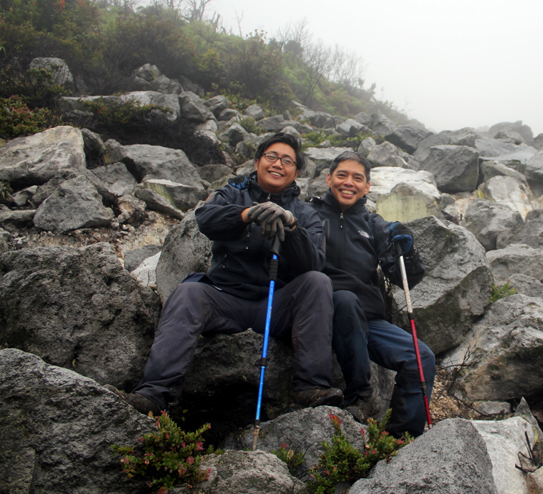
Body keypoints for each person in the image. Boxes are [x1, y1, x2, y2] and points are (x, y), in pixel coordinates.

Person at [110, 132, 343, 415]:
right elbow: (206, 219)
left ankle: (310, 387)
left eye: (287, 161)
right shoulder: (232, 193)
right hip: (224, 299)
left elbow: (313, 263)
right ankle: (153, 394)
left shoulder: (306, 214)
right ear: (257, 162)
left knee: (318, 282)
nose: (278, 164)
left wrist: (292, 227)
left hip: (275, 306)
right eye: (271, 157)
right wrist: (247, 214)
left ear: (296, 173)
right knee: (189, 292)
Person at [311, 151, 435, 437]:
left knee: (421, 358)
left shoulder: (373, 224)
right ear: (328, 179)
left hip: (367, 320)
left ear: (367, 187)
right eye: (342, 175)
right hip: (318, 310)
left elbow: (404, 278)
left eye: (358, 178)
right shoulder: (310, 214)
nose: (349, 183)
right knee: (345, 299)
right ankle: (359, 396)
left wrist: (408, 249)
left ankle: (400, 440)